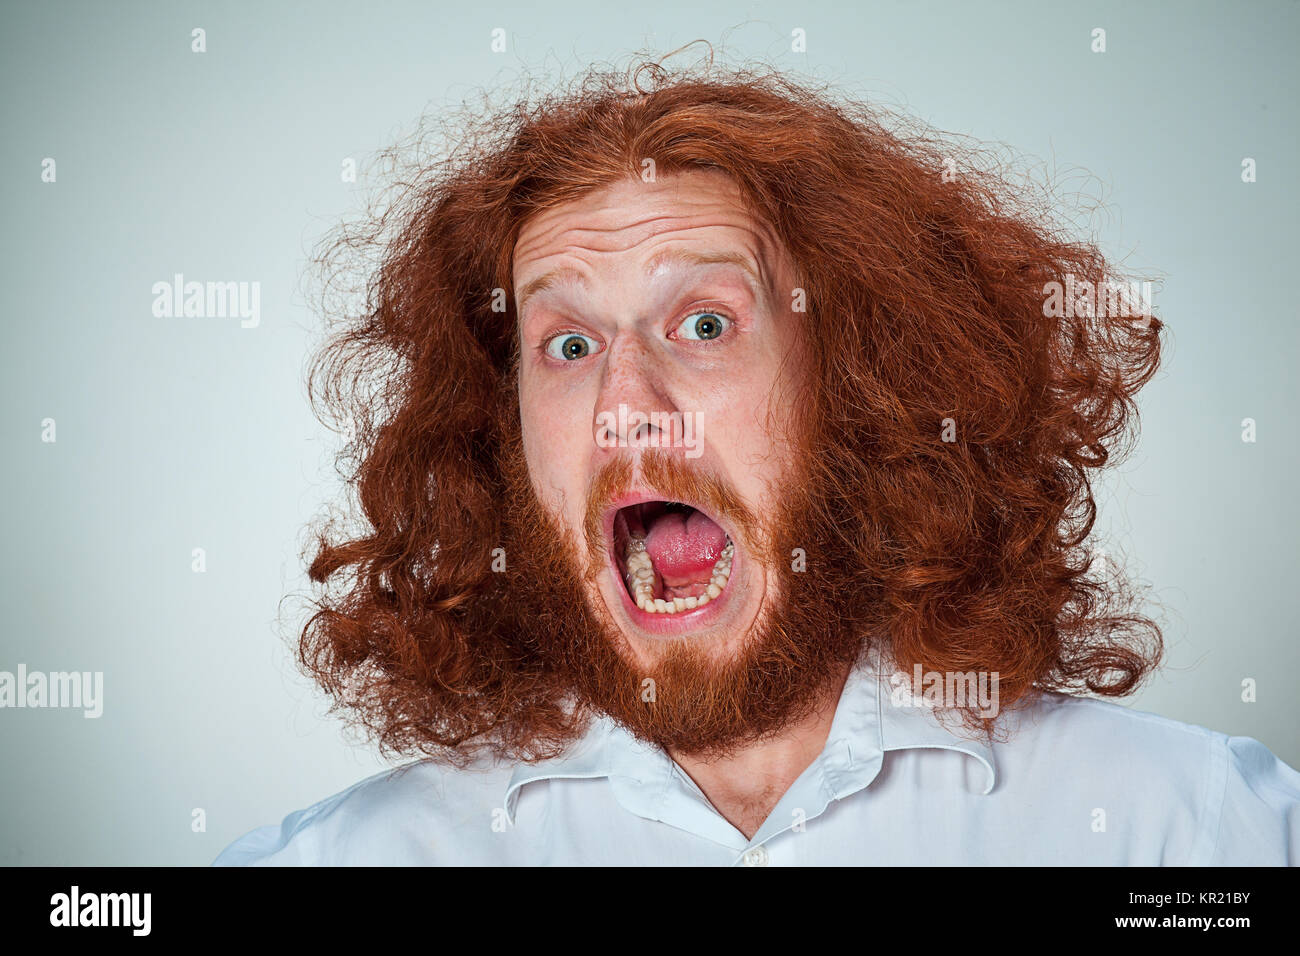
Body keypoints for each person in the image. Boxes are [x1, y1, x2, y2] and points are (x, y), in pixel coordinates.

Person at [215, 57, 1299, 866]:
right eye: (571, 345)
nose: (626, 410)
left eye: (703, 325)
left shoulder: (1183, 833)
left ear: (862, 392)